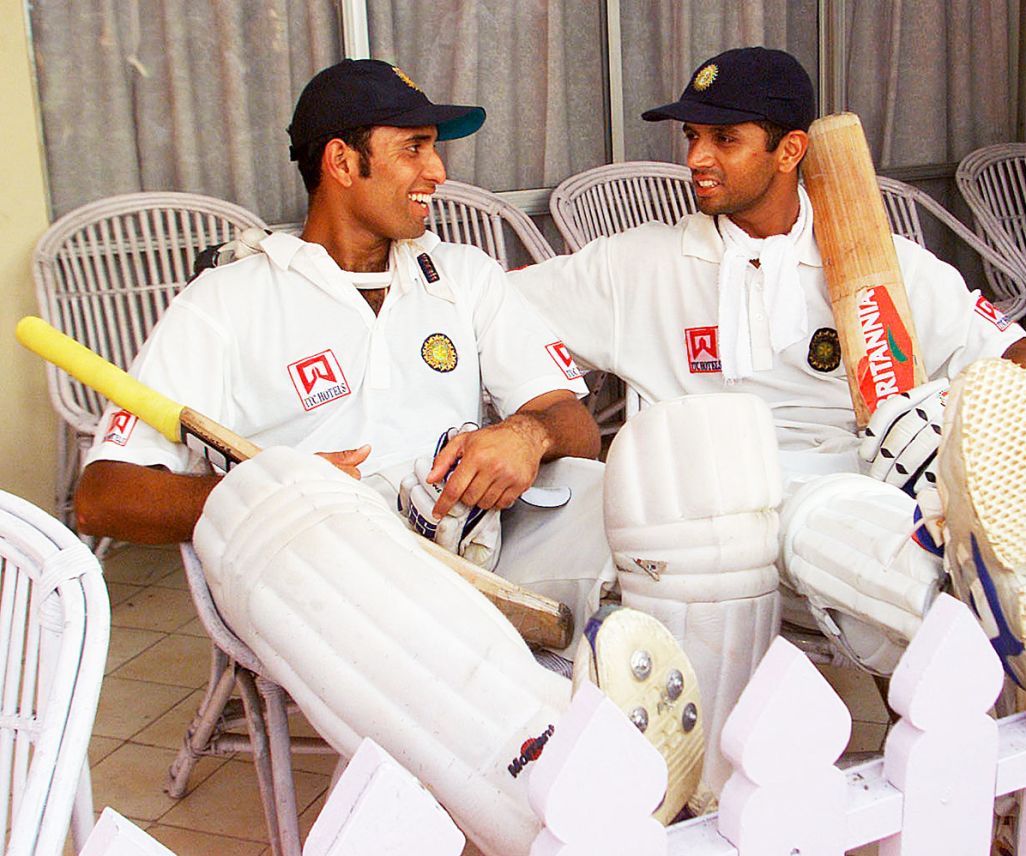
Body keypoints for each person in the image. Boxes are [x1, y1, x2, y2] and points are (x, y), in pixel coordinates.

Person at [72, 60, 706, 855]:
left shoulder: (463, 278)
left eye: (435, 148)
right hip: (310, 567)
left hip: (470, 544)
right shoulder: (227, 302)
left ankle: (663, 760)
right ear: (342, 162)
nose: (438, 172)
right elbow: (102, 497)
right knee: (325, 532)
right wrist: (275, 488)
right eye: (414, 148)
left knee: (645, 504)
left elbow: (569, 416)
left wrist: (526, 435)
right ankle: (565, 787)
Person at [513, 46, 1026, 795]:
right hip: (710, 520)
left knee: (979, 553)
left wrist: (959, 418)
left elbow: (1022, 357)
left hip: (864, 492)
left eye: (723, 140)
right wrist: (524, 416)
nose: (696, 158)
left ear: (791, 150)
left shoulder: (877, 265)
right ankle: (991, 616)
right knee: (911, 581)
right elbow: (496, 310)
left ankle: (993, 700)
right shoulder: (637, 267)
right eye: (691, 137)